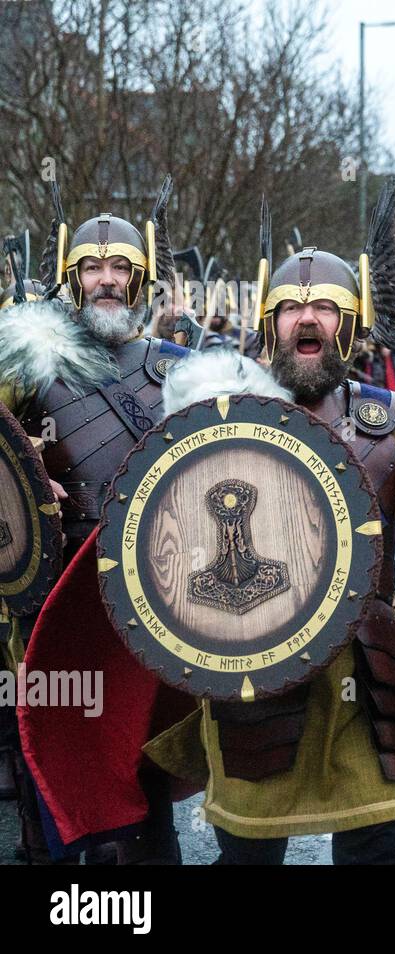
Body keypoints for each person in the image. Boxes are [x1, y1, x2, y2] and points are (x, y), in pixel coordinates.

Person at [148, 191, 395, 865]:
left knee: (376, 855)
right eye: (291, 306)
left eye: (325, 307)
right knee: (248, 861)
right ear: (269, 323)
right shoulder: (222, 420)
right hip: (252, 683)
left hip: (362, 685)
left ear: (353, 325)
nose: (306, 317)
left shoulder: (389, 423)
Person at [0, 189, 189, 864]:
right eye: (92, 266)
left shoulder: (177, 366)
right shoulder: (29, 361)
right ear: (73, 277)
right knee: (58, 739)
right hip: (57, 588)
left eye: (119, 267)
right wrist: (23, 479)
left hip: (149, 590)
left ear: (137, 279)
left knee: (144, 748)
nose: (106, 278)